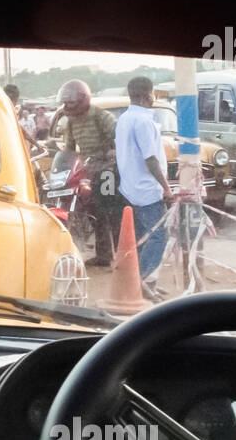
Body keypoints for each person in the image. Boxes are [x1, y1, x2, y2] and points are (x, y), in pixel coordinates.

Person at [115, 76, 174, 298]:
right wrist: (167, 188)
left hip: (131, 188)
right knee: (158, 237)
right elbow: (150, 160)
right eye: (152, 94)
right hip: (147, 190)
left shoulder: (124, 119)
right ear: (147, 95)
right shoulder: (143, 121)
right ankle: (146, 283)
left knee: (140, 238)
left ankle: (143, 282)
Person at [57, 79, 120, 267]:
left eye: (71, 102)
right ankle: (104, 256)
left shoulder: (102, 117)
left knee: (110, 213)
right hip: (88, 172)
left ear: (83, 99)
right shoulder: (70, 122)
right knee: (96, 213)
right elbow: (69, 149)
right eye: (65, 102)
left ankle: (120, 255)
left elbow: (117, 143)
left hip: (108, 170)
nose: (67, 106)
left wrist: (103, 155)